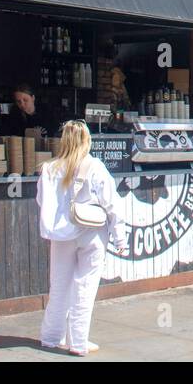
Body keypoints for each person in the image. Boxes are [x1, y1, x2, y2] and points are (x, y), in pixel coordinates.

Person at [37, 119, 127, 356]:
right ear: (86, 141)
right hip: (91, 232)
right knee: (84, 287)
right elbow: (112, 204)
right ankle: (77, 342)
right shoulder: (94, 167)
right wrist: (120, 238)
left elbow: (42, 201)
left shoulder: (48, 168)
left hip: (60, 236)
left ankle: (50, 337)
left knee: (58, 287)